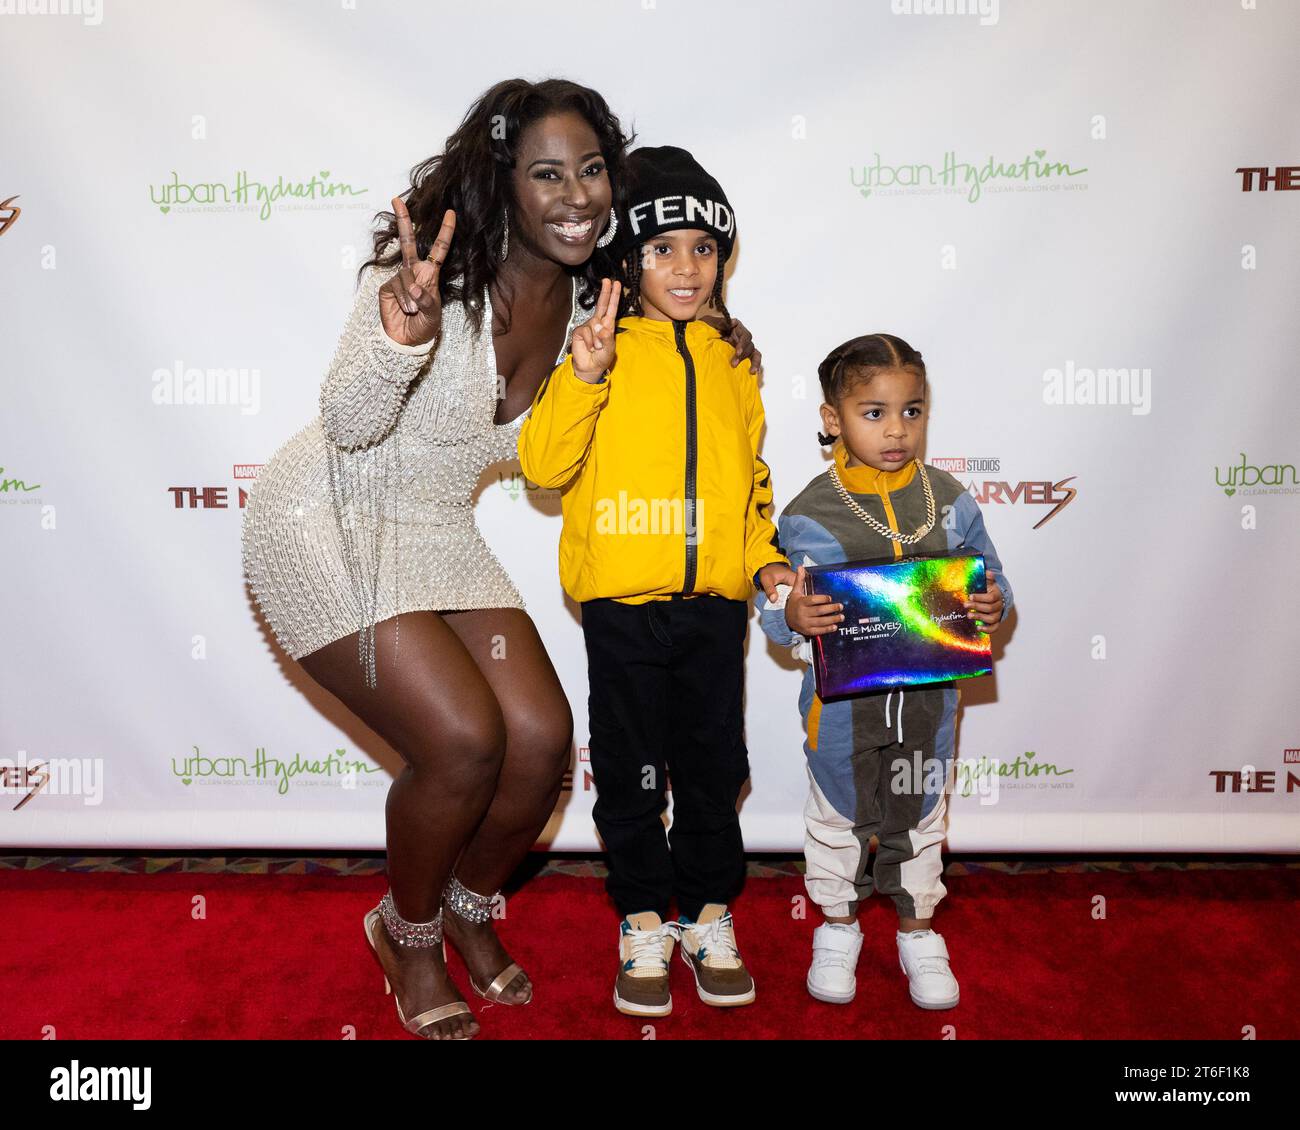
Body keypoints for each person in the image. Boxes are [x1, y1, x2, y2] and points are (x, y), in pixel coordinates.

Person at [240, 82, 764, 1040]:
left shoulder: (592, 299)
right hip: (329, 515)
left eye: (593, 170)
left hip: (438, 525)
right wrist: (401, 335)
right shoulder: (430, 271)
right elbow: (353, 425)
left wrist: (719, 329)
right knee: (465, 741)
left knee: (539, 745)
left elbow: (597, 415)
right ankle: (406, 931)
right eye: (547, 174)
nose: (576, 195)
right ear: (504, 181)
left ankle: (471, 906)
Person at [519, 146, 795, 1018]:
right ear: (627, 261)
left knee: (715, 771)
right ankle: (642, 918)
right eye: (663, 249)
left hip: (716, 611)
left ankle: (709, 914)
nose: (686, 267)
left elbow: (749, 482)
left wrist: (764, 560)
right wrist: (585, 374)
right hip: (623, 611)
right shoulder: (597, 350)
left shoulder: (733, 362)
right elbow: (542, 464)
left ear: (723, 260)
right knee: (634, 773)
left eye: (704, 249)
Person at [754, 333, 1013, 1010]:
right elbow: (777, 601)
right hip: (839, 710)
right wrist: (793, 620)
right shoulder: (810, 511)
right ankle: (837, 925)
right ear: (832, 419)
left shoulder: (951, 499)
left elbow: (992, 582)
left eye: (912, 411)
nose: (896, 430)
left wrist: (991, 601)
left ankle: (918, 928)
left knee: (921, 812)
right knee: (837, 815)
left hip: (929, 707)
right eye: (874, 412)